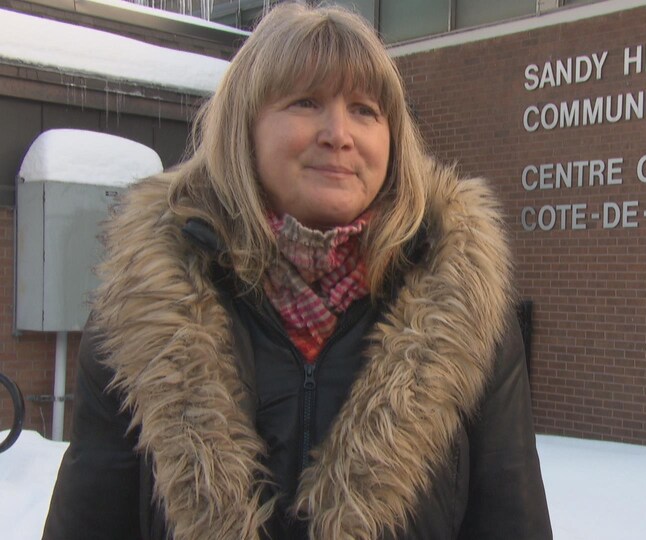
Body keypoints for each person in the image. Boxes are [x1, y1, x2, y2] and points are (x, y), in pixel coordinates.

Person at [42, 3, 552, 539]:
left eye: (365, 110)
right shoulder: (143, 314)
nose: (339, 133)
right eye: (306, 101)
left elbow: (511, 521)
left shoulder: (467, 315)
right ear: (246, 127)